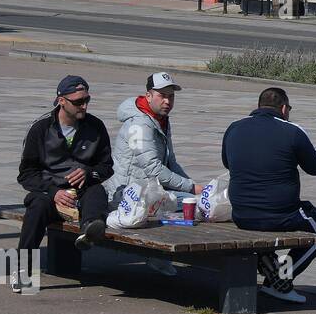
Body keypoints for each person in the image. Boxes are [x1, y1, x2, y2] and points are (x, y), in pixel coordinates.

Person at [221, 87, 316, 304]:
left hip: (242, 213)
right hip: (280, 213)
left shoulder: (234, 128)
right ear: (283, 108)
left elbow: (227, 162)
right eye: (289, 109)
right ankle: (280, 280)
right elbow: (315, 167)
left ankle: (274, 274)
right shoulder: (292, 130)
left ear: (259, 106)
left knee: (269, 226)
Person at [15, 75, 114, 293]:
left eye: (87, 99)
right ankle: (22, 270)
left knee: (97, 191)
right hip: (49, 192)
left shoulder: (95, 126)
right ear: (61, 101)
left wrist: (89, 173)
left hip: (82, 192)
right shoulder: (40, 129)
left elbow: (107, 166)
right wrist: (53, 192)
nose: (84, 106)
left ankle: (89, 231)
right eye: (78, 102)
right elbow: (26, 174)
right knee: (37, 207)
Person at [104, 71, 201, 277]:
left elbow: (170, 162)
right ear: (148, 96)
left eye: (171, 96)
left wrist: (193, 185)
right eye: (162, 95)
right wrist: (191, 188)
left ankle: (162, 255)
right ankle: (158, 255)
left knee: (197, 201)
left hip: (151, 189)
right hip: (129, 195)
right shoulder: (139, 124)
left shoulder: (161, 119)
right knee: (194, 205)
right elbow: (153, 169)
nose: (167, 101)